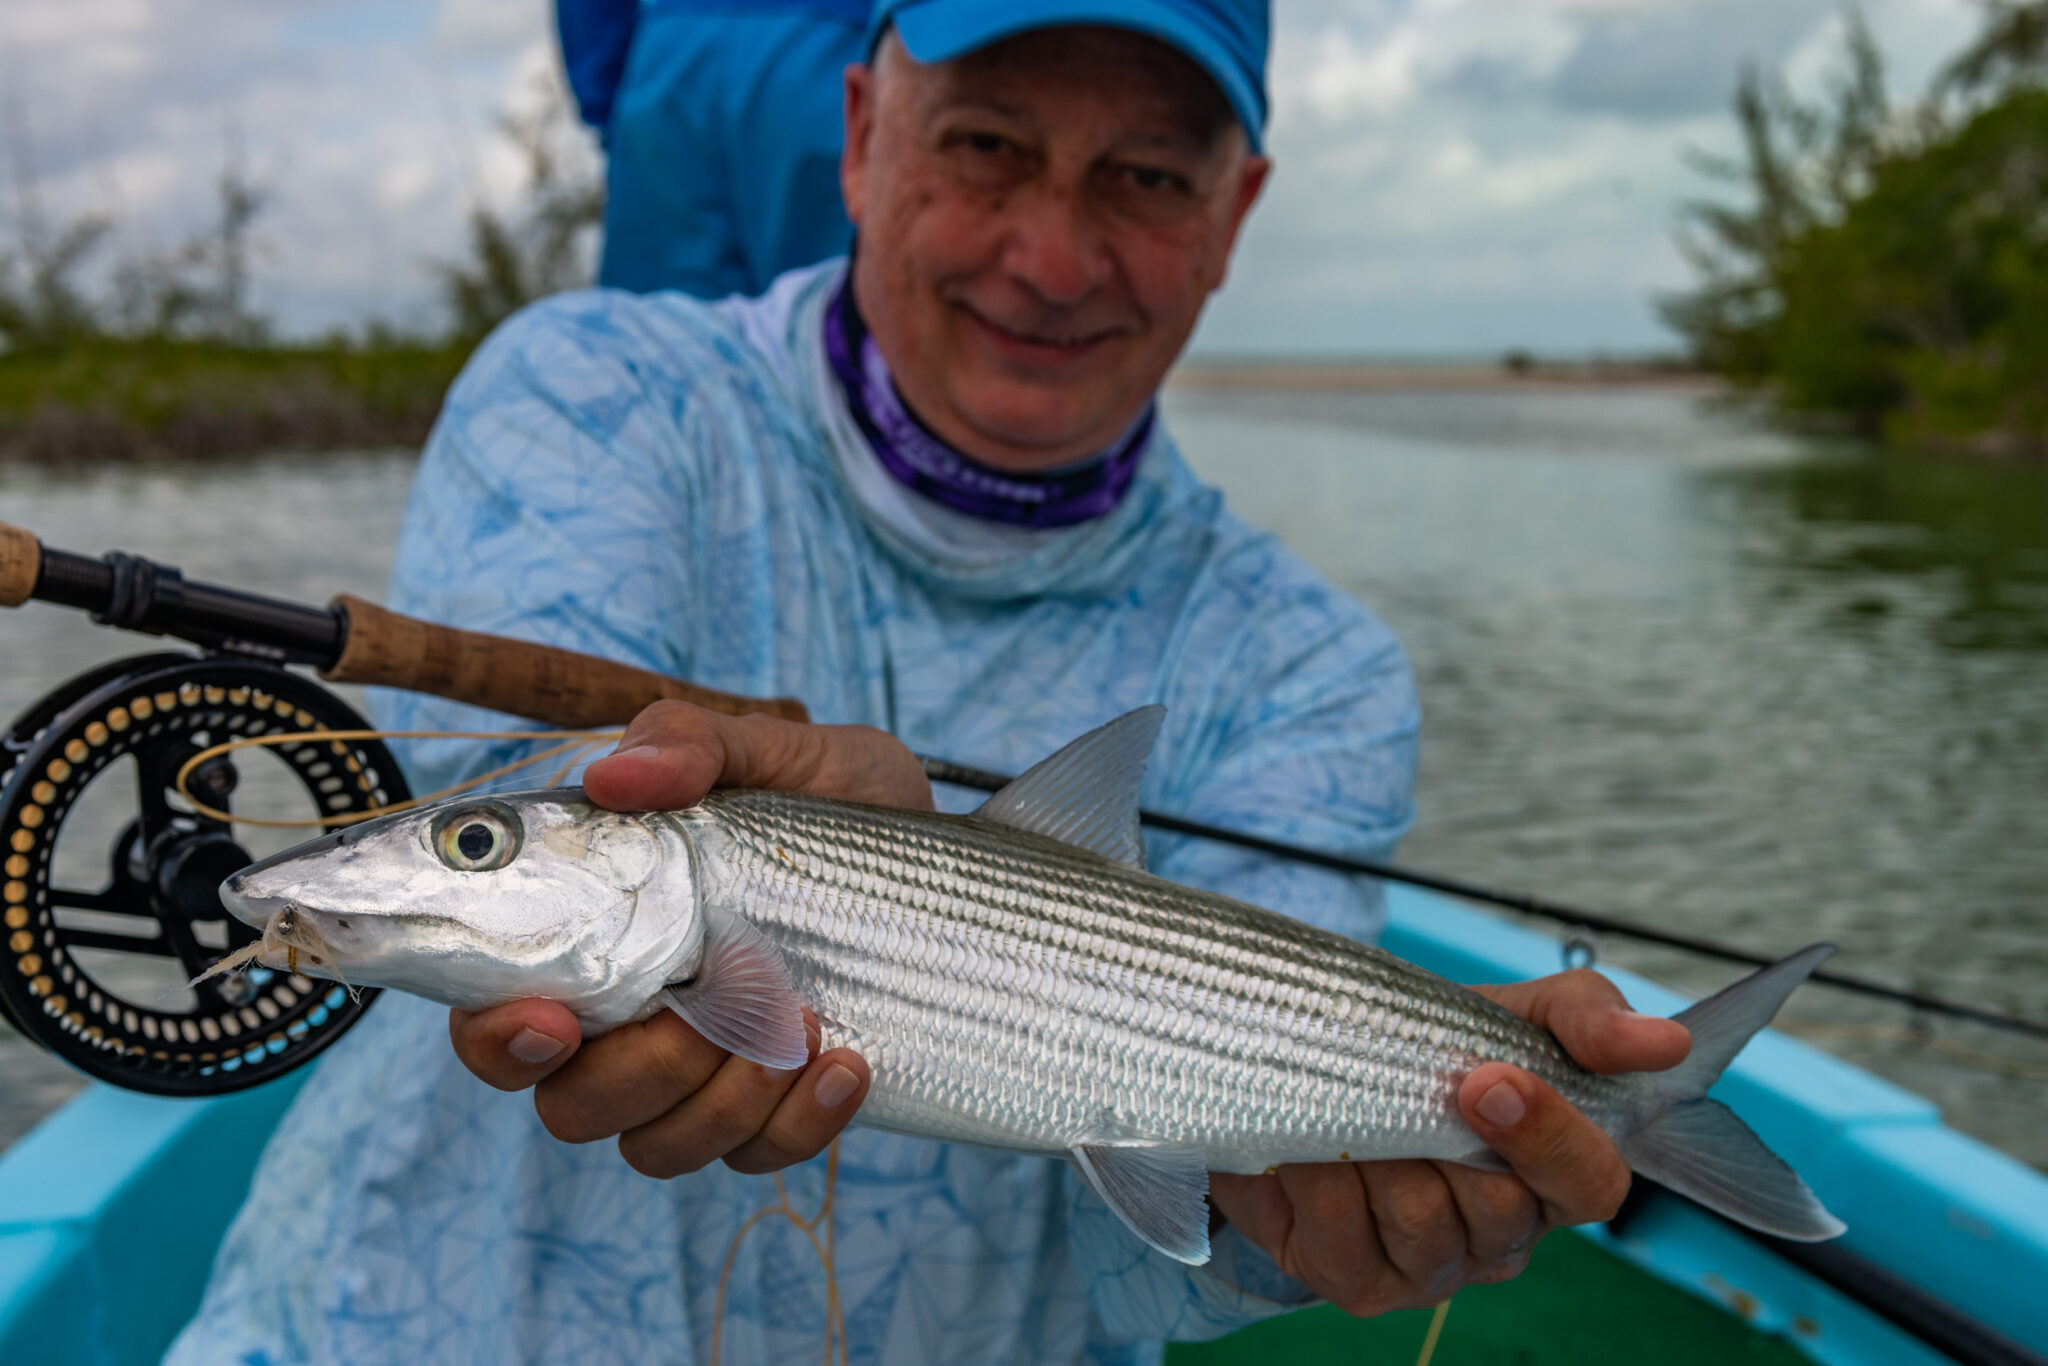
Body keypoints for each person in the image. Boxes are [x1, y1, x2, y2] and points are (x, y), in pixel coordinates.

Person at [169, 2, 1690, 1361]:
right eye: (985, 146)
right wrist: (490, 834)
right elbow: (498, 818)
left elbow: (1149, 1261)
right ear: (859, 135)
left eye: (1147, 178)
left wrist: (1277, 1225)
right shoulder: (594, 392)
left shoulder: (1312, 666)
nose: (1047, 257)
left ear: (1237, 216)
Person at [558, 0, 868, 296]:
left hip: (670, 59)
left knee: (667, 337)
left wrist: (608, 95)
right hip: (830, 50)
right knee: (849, 324)